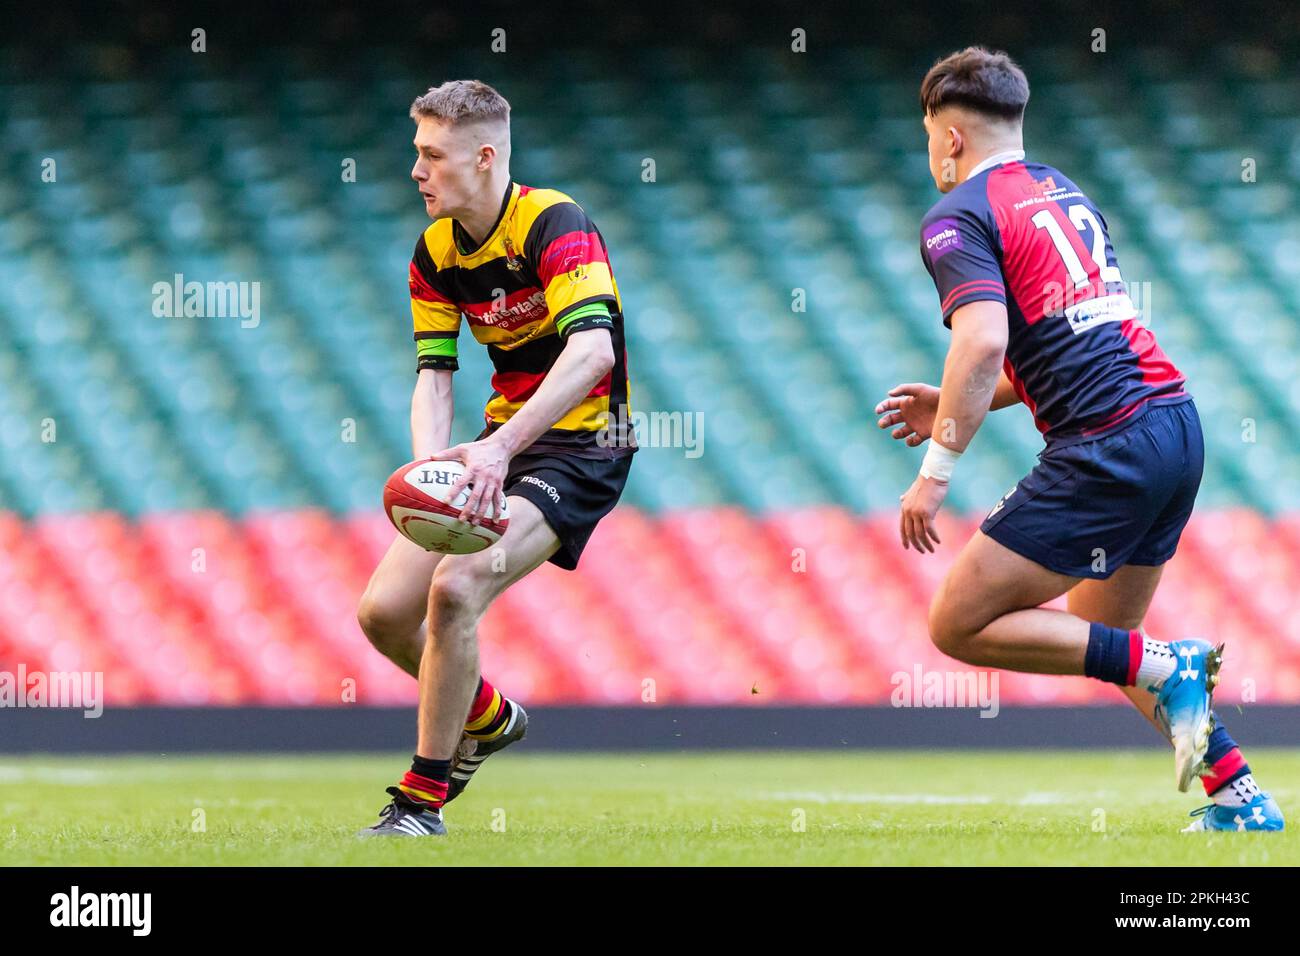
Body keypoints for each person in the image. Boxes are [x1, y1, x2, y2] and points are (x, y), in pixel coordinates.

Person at [875, 47, 1282, 832]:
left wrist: (936, 470)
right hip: (1174, 425)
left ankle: (1175, 666)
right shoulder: (1066, 193)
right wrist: (969, 404)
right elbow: (1062, 335)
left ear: (950, 137)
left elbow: (984, 340)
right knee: (1110, 638)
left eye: (928, 136)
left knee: (957, 622)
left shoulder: (957, 215)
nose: (931, 153)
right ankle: (1238, 795)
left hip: (1107, 443)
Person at [357, 80, 635, 837]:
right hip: (494, 446)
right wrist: (432, 474)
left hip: (581, 446)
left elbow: (592, 352)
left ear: (483, 157)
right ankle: (489, 717)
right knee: (382, 613)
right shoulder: (435, 251)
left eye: (430, 155)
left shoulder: (555, 223)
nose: (416, 171)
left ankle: (420, 803)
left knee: (456, 587)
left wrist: (499, 448)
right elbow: (434, 375)